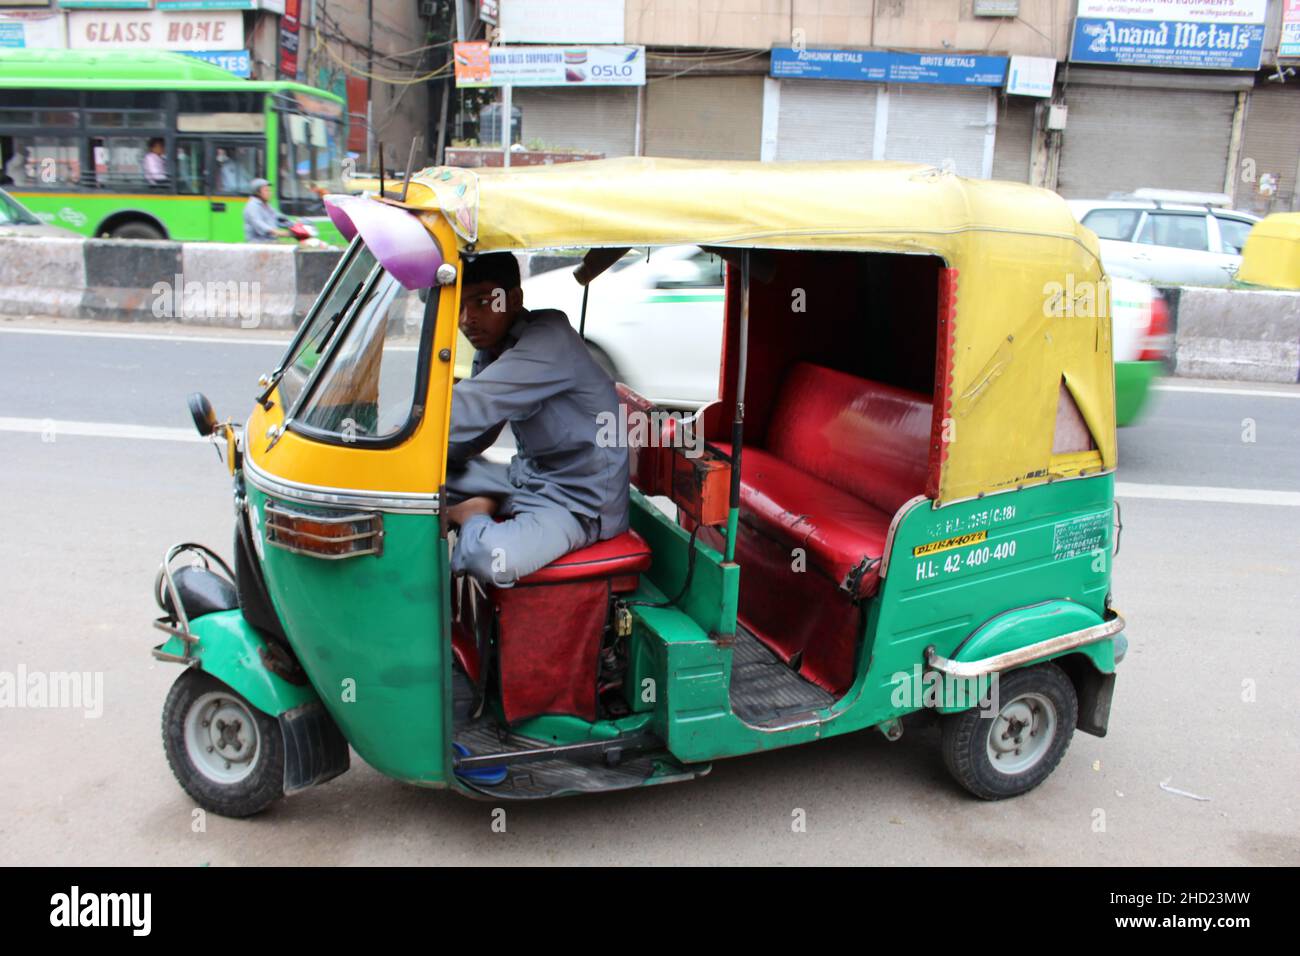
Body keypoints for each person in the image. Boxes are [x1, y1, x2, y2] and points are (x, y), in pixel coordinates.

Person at [444, 253, 630, 587]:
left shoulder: (548, 340)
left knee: (493, 559)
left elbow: (470, 406)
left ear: (514, 299)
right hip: (526, 481)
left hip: (577, 505)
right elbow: (475, 435)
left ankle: (474, 515)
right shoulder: (492, 349)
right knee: (427, 486)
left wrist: (400, 433)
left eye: (482, 302)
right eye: (460, 306)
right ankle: (478, 505)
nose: (466, 319)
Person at [242, 178, 291, 242]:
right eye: (266, 191)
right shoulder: (252, 206)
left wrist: (295, 225)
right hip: (258, 243)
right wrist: (278, 232)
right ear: (257, 193)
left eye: (270, 191)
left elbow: (279, 219)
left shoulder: (267, 206)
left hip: (270, 241)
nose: (270, 193)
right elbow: (259, 224)